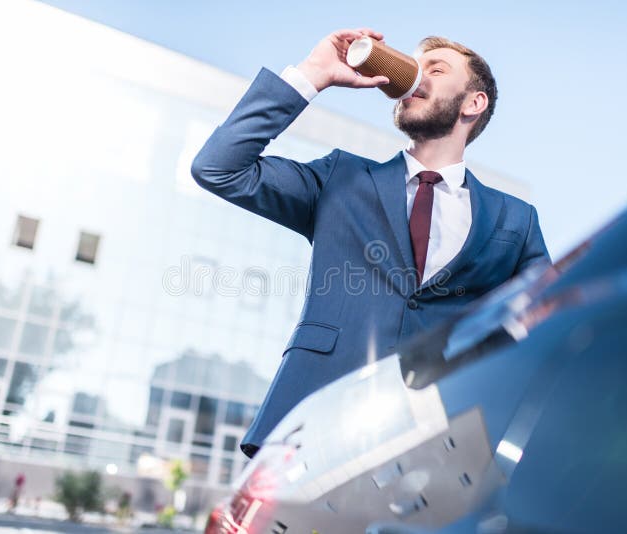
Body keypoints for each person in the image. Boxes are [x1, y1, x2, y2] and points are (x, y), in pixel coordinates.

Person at [191, 28, 550, 457]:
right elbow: (218, 168)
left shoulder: (515, 219)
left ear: (474, 103)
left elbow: (544, 325)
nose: (415, 76)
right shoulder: (339, 178)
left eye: (435, 69)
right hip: (313, 427)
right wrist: (313, 74)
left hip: (437, 444)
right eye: (412, 66)